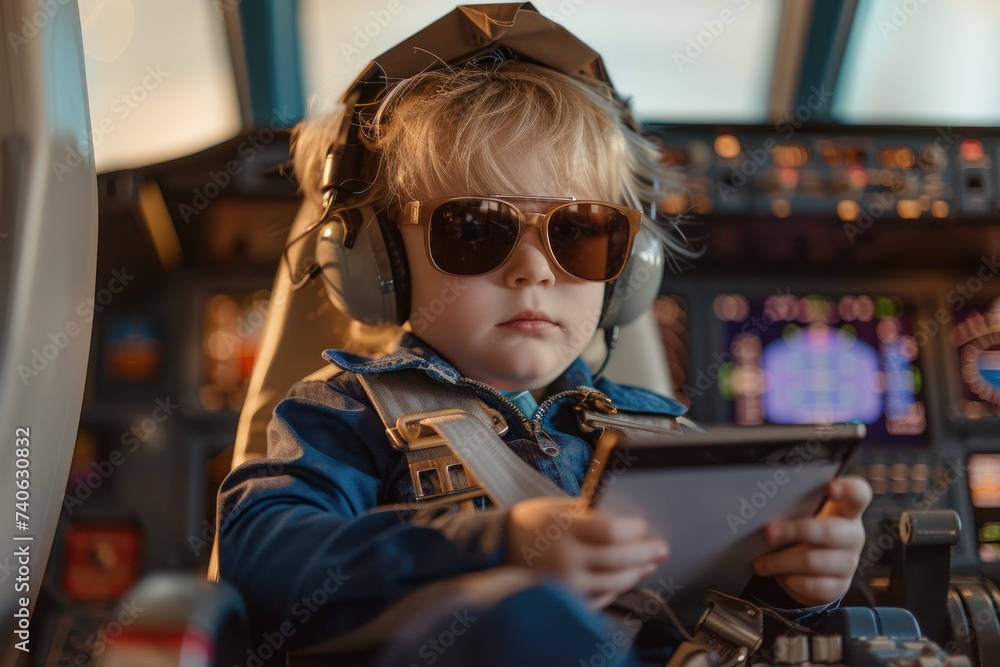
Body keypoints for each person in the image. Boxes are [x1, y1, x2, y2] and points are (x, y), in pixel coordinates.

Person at [217, 7, 872, 666]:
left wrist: (797, 584)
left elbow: (723, 619)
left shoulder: (662, 436)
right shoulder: (346, 414)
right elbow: (263, 560)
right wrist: (493, 545)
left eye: (579, 231)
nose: (534, 269)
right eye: (476, 228)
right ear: (379, 261)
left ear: (625, 272)